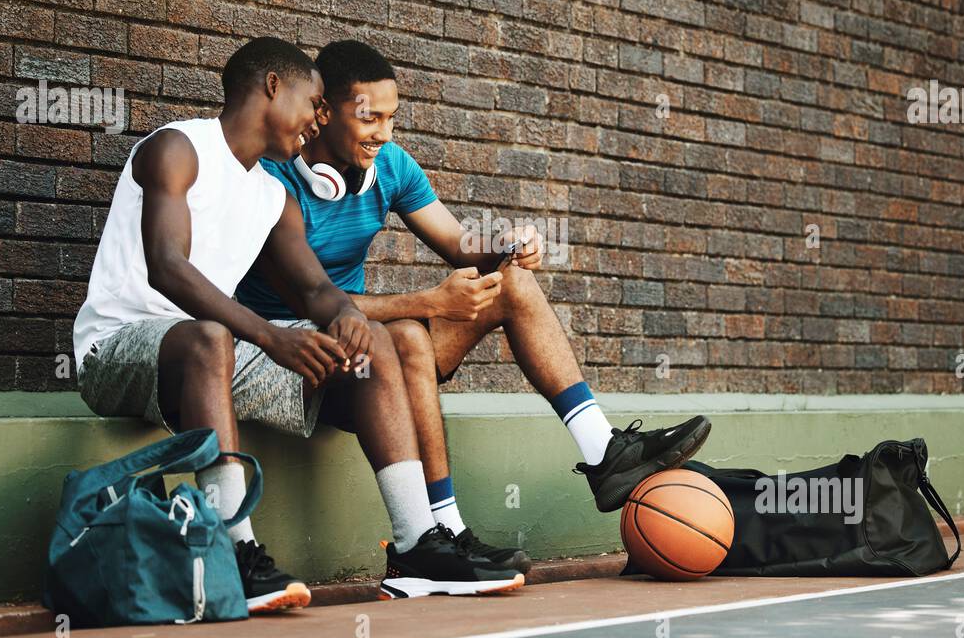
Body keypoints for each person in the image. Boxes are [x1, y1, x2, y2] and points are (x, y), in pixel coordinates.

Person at [73, 37, 524, 610]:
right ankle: (230, 552)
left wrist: (345, 320)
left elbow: (314, 290)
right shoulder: (178, 148)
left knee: (374, 345)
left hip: (216, 358)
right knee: (210, 337)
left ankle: (417, 547)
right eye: (313, 103)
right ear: (271, 87)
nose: (317, 121)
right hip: (118, 353)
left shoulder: (271, 195)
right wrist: (267, 335)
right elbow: (168, 268)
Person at [235, 40, 712, 572]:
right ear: (322, 114)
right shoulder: (271, 181)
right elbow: (311, 297)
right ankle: (445, 531)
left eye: (392, 118)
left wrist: (509, 245)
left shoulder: (390, 165)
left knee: (512, 284)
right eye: (370, 118)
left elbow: (462, 245)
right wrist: (429, 301)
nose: (384, 134)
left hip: (371, 350)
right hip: (297, 350)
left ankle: (603, 451)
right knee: (411, 335)